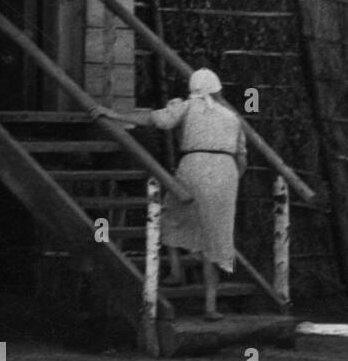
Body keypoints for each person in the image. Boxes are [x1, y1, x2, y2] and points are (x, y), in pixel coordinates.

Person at [91, 68, 247, 321]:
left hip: (194, 165)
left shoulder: (186, 107)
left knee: (169, 214)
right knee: (215, 238)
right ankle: (210, 306)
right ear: (218, 90)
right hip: (226, 171)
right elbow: (242, 158)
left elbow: (156, 120)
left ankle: (176, 271)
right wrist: (228, 180)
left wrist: (113, 114)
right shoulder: (232, 117)